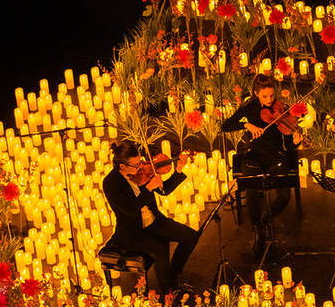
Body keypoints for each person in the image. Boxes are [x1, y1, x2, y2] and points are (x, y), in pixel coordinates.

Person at [102, 141, 198, 295]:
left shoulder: (141, 172)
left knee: (191, 236)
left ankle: (173, 276)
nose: (140, 167)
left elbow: (164, 190)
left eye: (140, 162)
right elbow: (130, 209)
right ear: (122, 166)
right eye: (135, 165)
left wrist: (178, 169)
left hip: (154, 221)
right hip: (133, 232)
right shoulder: (111, 183)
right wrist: (148, 188)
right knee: (160, 250)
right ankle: (168, 292)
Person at [221, 74, 304, 253]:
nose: (269, 100)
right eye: (265, 96)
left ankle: (266, 218)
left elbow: (288, 143)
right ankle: (257, 228)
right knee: (253, 183)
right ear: (256, 93)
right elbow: (225, 126)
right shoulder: (249, 108)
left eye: (272, 95)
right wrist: (247, 125)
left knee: (284, 195)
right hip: (254, 155)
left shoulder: (281, 109)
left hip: (276, 155)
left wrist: (295, 142)